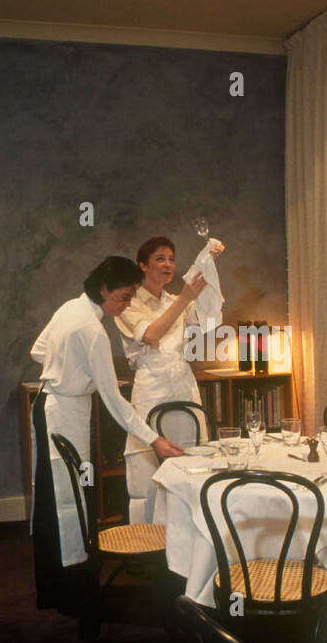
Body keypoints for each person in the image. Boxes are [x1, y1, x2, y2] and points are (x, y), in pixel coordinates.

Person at [30, 256, 184, 612]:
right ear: (103, 288)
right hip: (65, 412)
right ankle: (73, 596)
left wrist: (65, 369)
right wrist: (154, 440)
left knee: (53, 501)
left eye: (131, 297)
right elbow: (115, 401)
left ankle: (53, 591)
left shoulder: (69, 308)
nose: (128, 304)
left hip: (46, 406)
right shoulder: (94, 332)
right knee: (71, 503)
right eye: (124, 296)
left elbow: (38, 351)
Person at [115, 236, 225, 522]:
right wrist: (186, 299)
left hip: (183, 387)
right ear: (143, 266)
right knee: (147, 470)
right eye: (160, 259)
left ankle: (190, 537)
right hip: (152, 389)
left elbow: (207, 324)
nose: (168, 265)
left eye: (172, 259)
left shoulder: (175, 301)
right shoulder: (129, 302)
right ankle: (147, 543)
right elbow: (150, 335)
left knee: (191, 460)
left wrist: (208, 265)